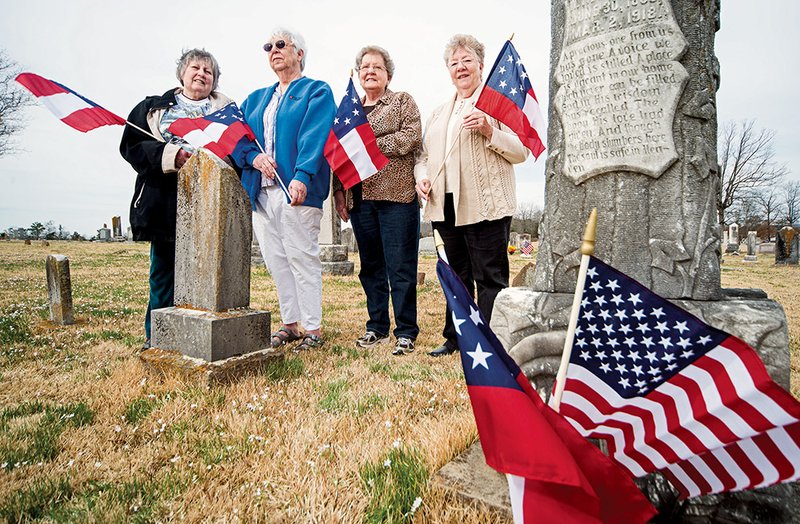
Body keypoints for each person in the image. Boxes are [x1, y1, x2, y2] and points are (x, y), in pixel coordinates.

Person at [414, 34, 529, 357]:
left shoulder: (498, 104)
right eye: (454, 63)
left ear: (481, 65)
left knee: (489, 276)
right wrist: (422, 179)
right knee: (456, 277)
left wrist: (490, 131)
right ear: (448, 70)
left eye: (467, 61)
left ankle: (489, 343)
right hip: (444, 206)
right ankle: (457, 337)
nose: (460, 67)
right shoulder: (438, 113)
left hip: (485, 204)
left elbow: (522, 150)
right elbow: (422, 157)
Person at [120, 48, 233, 350]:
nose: (201, 74)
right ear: (182, 74)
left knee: (208, 274)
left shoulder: (228, 111)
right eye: (195, 68)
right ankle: (157, 336)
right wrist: (172, 155)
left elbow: (239, 148)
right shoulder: (153, 108)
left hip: (210, 198)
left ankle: (201, 336)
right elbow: (131, 145)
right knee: (164, 275)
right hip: (165, 200)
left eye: (208, 72)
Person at [233, 28, 336, 352]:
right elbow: (239, 138)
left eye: (281, 45)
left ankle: (314, 328)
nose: (273, 50)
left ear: (299, 53)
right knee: (277, 260)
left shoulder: (316, 92)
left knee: (301, 258)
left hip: (296, 191)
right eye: (268, 46)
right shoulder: (255, 99)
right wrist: (253, 156)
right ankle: (290, 324)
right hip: (262, 194)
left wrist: (303, 175)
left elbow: (314, 136)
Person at [332, 46, 422, 356]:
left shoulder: (401, 102)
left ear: (388, 75)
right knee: (370, 267)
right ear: (358, 74)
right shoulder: (347, 110)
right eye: (365, 67)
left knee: (400, 267)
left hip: (396, 196)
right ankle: (377, 327)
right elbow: (339, 153)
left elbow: (411, 137)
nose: (370, 71)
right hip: (360, 200)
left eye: (377, 67)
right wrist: (338, 192)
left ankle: (406, 331)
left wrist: (367, 146)